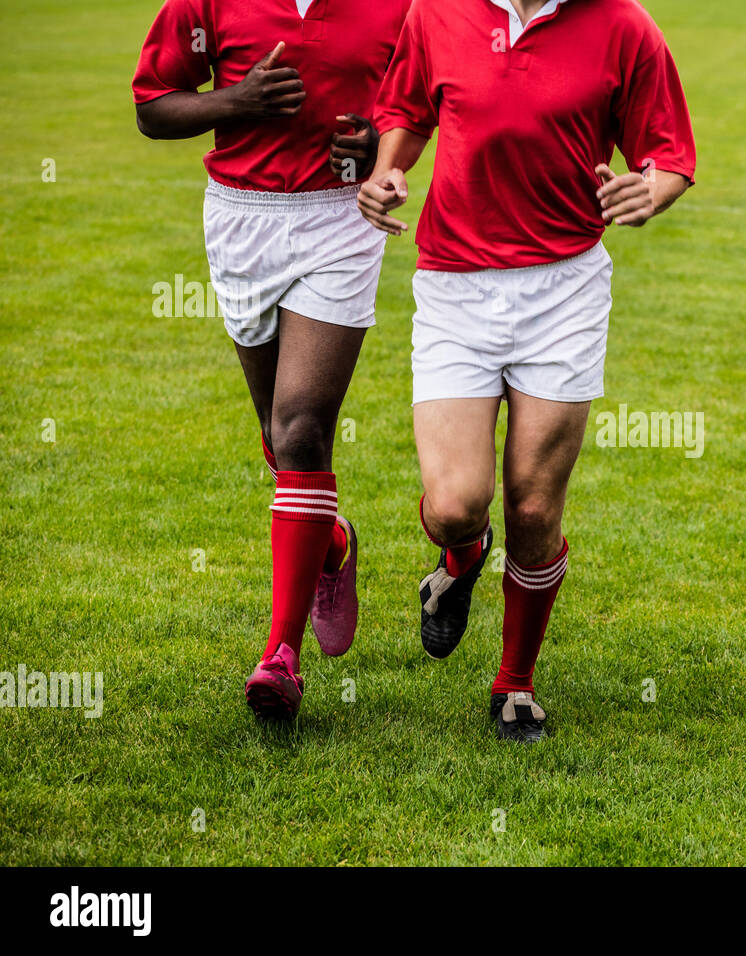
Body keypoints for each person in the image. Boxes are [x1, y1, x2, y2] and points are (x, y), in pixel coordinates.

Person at [357, 0, 696, 742]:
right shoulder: (437, 13)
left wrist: (652, 191)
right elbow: (406, 112)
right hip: (454, 283)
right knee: (453, 504)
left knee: (536, 512)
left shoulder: (624, 25)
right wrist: (386, 172)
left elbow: (669, 155)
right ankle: (462, 555)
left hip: (564, 288)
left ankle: (514, 683)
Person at [132, 0, 410, 719]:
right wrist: (238, 101)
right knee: (276, 432)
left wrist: (376, 145)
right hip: (240, 218)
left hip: (339, 218)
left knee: (302, 428)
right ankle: (330, 540)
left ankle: (280, 657)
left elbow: (423, 105)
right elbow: (152, 108)